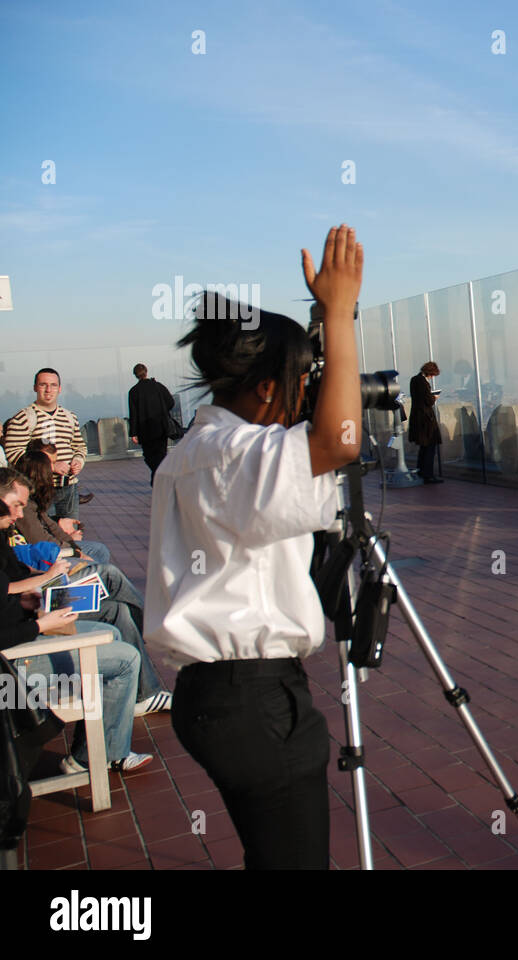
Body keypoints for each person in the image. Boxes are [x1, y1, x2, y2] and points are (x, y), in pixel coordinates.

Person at [145, 224, 364, 870]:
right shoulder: (234, 458)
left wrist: (324, 327)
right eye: (298, 383)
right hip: (255, 704)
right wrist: (341, 315)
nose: (305, 399)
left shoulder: (201, 453)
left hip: (217, 697)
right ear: (267, 388)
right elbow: (340, 440)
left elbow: (311, 468)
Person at [0, 478, 152, 774]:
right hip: (15, 663)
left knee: (115, 624)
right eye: (14, 507)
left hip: (28, 631)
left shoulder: (3, 538)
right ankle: (95, 755)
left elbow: (9, 598)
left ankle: (95, 751)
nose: (18, 515)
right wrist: (41, 622)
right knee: (124, 656)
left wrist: (34, 602)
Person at [2, 369, 92, 517]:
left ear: (60, 388)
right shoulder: (23, 418)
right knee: (45, 534)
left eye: (53, 385)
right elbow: (14, 454)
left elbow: (79, 446)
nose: (49, 390)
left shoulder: (70, 417)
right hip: (39, 489)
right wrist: (49, 466)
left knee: (69, 534)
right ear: (35, 387)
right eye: (43, 385)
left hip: (69, 488)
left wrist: (78, 461)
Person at [13, 441, 113, 566]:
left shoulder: (33, 497)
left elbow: (50, 525)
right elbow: (40, 538)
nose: (53, 470)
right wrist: (74, 550)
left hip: (52, 549)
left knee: (100, 550)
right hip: (44, 556)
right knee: (103, 562)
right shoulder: (25, 504)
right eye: (51, 464)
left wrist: (71, 543)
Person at [128, 364, 176, 486]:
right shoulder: (158, 386)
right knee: (161, 453)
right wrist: (162, 411)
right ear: (146, 372)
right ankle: (159, 477)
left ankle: (157, 477)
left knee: (149, 456)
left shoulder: (133, 392)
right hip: (161, 427)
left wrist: (133, 432)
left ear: (135, 375)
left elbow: (133, 414)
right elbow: (171, 402)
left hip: (144, 430)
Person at [408, 361, 444, 483]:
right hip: (425, 420)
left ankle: (421, 472)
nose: (432, 377)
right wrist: (434, 397)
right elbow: (428, 401)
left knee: (423, 448)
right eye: (432, 375)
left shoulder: (414, 380)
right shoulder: (423, 383)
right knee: (429, 448)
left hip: (418, 419)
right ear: (429, 373)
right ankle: (428, 475)